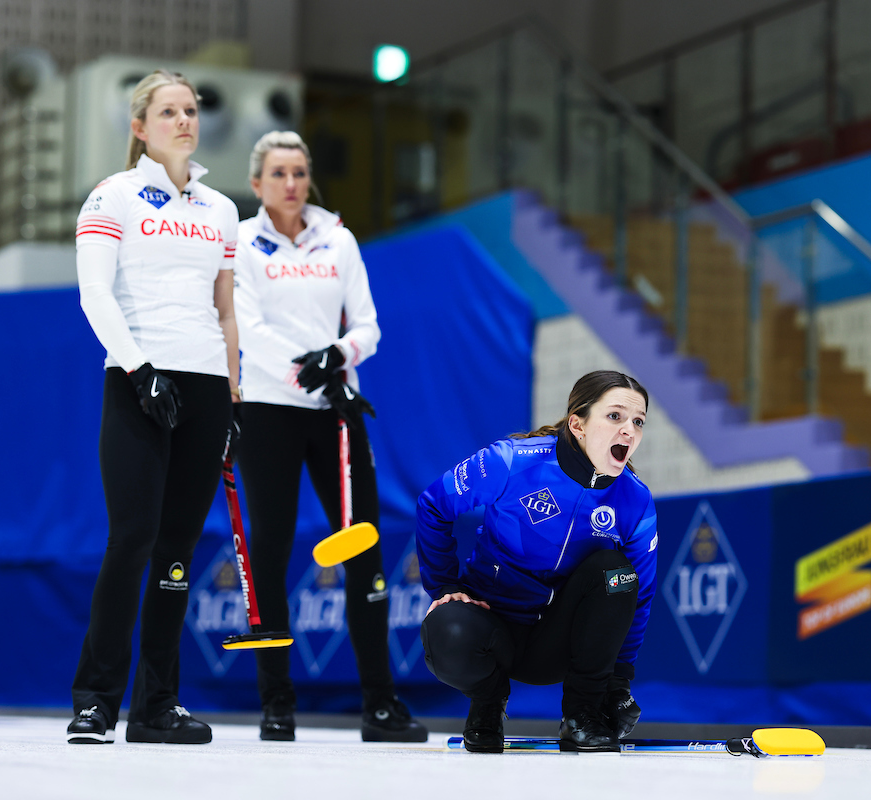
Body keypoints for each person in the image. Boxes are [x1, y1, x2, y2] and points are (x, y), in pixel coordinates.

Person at [230, 130, 427, 743]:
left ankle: (381, 704)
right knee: (270, 549)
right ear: (258, 182)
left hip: (336, 410)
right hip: (265, 410)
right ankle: (276, 703)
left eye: (299, 172)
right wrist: (307, 366)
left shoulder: (338, 239)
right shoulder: (241, 241)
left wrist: (337, 355)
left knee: (362, 547)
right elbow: (245, 324)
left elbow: (368, 325)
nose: (291, 183)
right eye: (278, 173)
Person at [67, 70, 241, 745]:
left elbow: (226, 310)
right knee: (132, 540)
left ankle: (156, 706)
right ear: (140, 126)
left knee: (178, 550)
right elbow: (94, 294)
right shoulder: (112, 196)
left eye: (191, 110)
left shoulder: (221, 209)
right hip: (139, 380)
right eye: (169, 111)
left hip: (204, 387)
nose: (185, 120)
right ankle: (95, 700)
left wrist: (234, 393)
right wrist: (141, 370)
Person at [417, 370, 658, 753]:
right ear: (578, 424)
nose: (629, 430)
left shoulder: (636, 501)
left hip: (557, 643)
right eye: (615, 416)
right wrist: (445, 587)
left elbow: (639, 595)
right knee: (447, 629)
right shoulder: (511, 461)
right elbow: (434, 505)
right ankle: (487, 705)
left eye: (638, 421)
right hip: (490, 626)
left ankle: (582, 715)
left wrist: (619, 682)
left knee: (617, 574)